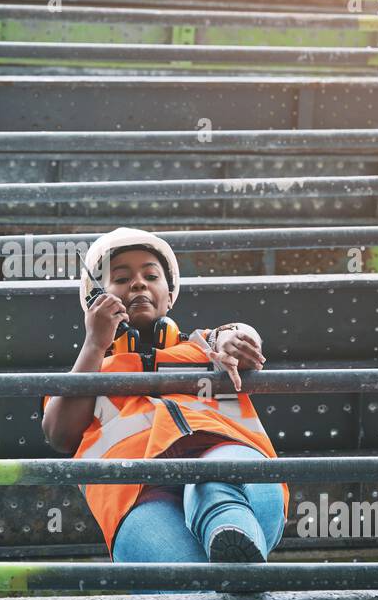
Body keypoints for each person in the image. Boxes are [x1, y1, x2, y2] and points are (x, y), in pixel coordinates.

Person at [41, 227, 288, 564]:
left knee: (216, 488)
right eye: (121, 278)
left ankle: (229, 533)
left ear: (170, 296)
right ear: (96, 303)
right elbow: (58, 434)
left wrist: (238, 338)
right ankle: (232, 575)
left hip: (236, 473)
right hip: (137, 496)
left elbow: (238, 333)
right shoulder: (85, 373)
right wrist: (95, 344)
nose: (138, 283)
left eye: (151, 275)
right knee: (178, 577)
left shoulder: (207, 345)